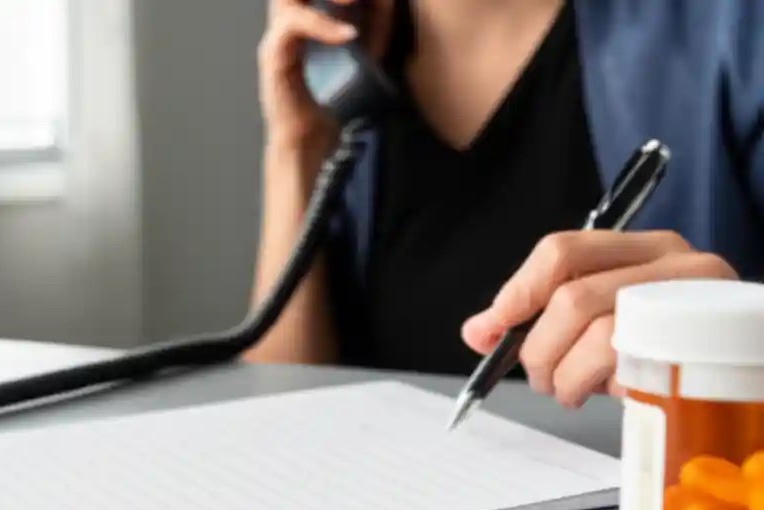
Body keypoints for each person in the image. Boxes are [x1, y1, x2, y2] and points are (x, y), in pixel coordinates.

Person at [243, 0, 762, 409]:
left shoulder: (736, 30)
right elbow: (279, 408)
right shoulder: (353, 64)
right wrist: (296, 146)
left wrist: (728, 342)